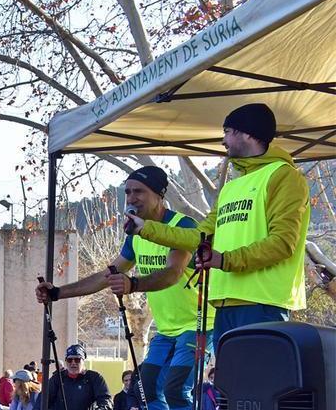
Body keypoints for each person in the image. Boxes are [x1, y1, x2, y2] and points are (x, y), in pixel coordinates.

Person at [38, 165, 214, 410]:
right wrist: (59, 292)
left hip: (199, 326)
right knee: (147, 389)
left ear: (160, 195)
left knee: (176, 389)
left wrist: (133, 284)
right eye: (128, 192)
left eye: (139, 192)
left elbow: (173, 273)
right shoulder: (135, 235)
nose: (131, 198)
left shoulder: (182, 227)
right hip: (169, 329)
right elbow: (105, 276)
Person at [125, 103, 310, 344]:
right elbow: (197, 237)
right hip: (224, 303)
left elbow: (282, 243)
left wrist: (224, 260)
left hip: (263, 303)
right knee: (229, 382)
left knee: (257, 382)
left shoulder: (284, 175)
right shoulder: (232, 187)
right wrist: (144, 229)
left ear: (248, 133)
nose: (223, 141)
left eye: (227, 132)